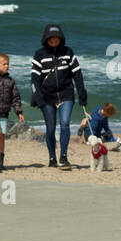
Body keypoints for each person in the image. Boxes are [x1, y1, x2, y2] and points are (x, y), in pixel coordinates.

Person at [30, 23, 87, 170]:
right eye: (51, 38)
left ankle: (63, 157)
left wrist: (82, 92)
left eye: (56, 38)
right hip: (47, 97)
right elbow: (34, 80)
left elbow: (77, 74)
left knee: (65, 123)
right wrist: (38, 98)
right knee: (50, 128)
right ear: (46, 39)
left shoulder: (68, 52)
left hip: (66, 94)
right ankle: (52, 158)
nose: (54, 40)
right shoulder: (39, 54)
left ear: (61, 38)